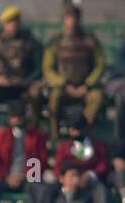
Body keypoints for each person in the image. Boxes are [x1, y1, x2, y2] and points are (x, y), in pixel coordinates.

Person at [0, 6, 43, 143]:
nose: (12, 26)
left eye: (15, 22)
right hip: (2, 86)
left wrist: (24, 81)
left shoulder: (30, 42)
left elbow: (38, 68)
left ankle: (34, 136)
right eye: (9, 23)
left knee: (36, 94)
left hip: (23, 85)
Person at [43, 5, 107, 135]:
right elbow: (47, 68)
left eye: (74, 18)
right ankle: (55, 139)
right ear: (64, 20)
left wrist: (88, 84)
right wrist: (63, 84)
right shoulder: (56, 42)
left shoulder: (90, 40)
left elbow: (100, 64)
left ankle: (82, 133)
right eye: (68, 18)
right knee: (54, 99)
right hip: (63, 87)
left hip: (86, 87)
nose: (71, 22)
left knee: (97, 98)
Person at [52, 114, 110, 203]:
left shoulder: (98, 146)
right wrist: (67, 180)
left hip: (89, 181)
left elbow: (104, 164)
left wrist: (90, 174)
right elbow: (57, 167)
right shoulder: (64, 147)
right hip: (68, 181)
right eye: (73, 129)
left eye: (79, 129)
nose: (76, 133)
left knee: (101, 190)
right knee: (49, 189)